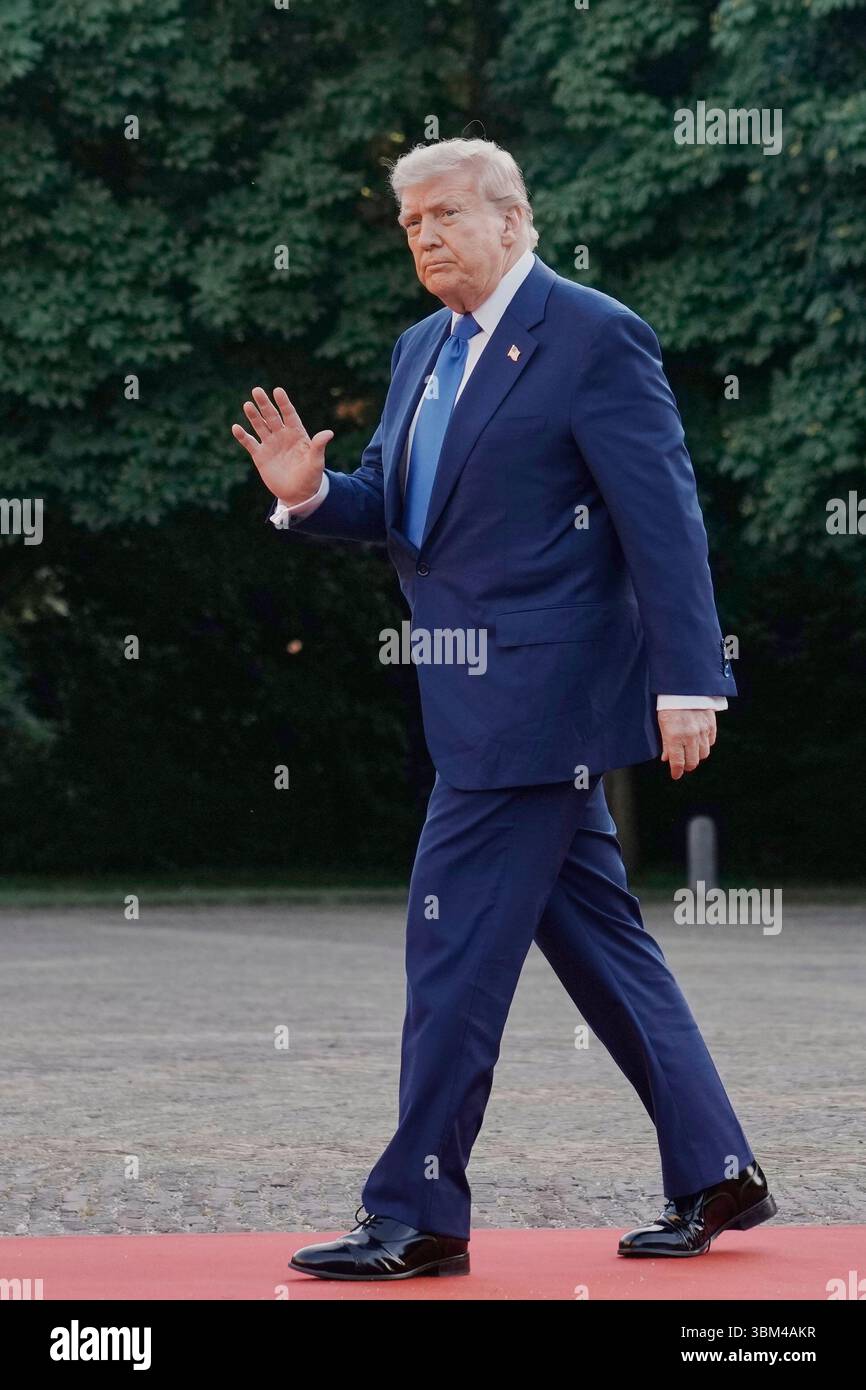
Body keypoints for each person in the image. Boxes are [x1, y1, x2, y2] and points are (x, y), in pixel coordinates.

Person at [232, 138, 776, 1279]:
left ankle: (416, 1213)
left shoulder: (593, 336)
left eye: (442, 216)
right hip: (468, 697)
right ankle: (716, 1165)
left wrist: (689, 681)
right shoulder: (419, 348)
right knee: (604, 950)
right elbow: (398, 506)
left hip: (542, 707)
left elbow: (661, 521)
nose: (423, 237)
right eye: (408, 224)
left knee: (450, 957)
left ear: (512, 218)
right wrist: (311, 494)